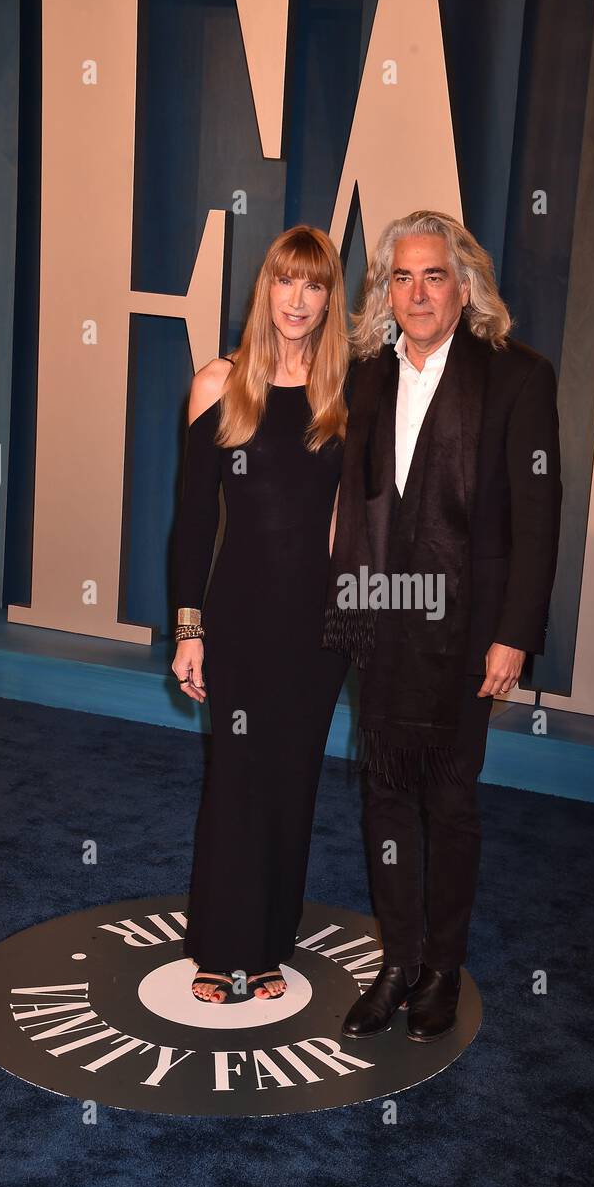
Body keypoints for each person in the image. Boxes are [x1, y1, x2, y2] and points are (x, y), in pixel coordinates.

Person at [323, 210, 562, 1042]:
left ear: (464, 287)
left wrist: (513, 634)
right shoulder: (363, 376)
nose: (417, 292)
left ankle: (442, 967)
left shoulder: (518, 377)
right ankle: (396, 957)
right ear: (384, 290)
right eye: (401, 277)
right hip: (379, 622)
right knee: (384, 793)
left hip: (466, 632)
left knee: (450, 801)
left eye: (433, 276)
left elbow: (537, 519)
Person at [172, 226, 350, 1003]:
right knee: (237, 778)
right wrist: (187, 629)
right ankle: (223, 946)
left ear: (327, 298)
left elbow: (350, 521)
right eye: (286, 281)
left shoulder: (346, 395)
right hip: (237, 616)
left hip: (316, 629)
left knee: (293, 777)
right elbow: (187, 519)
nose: (298, 300)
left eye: (313, 286)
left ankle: (272, 941)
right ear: (265, 289)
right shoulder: (219, 383)